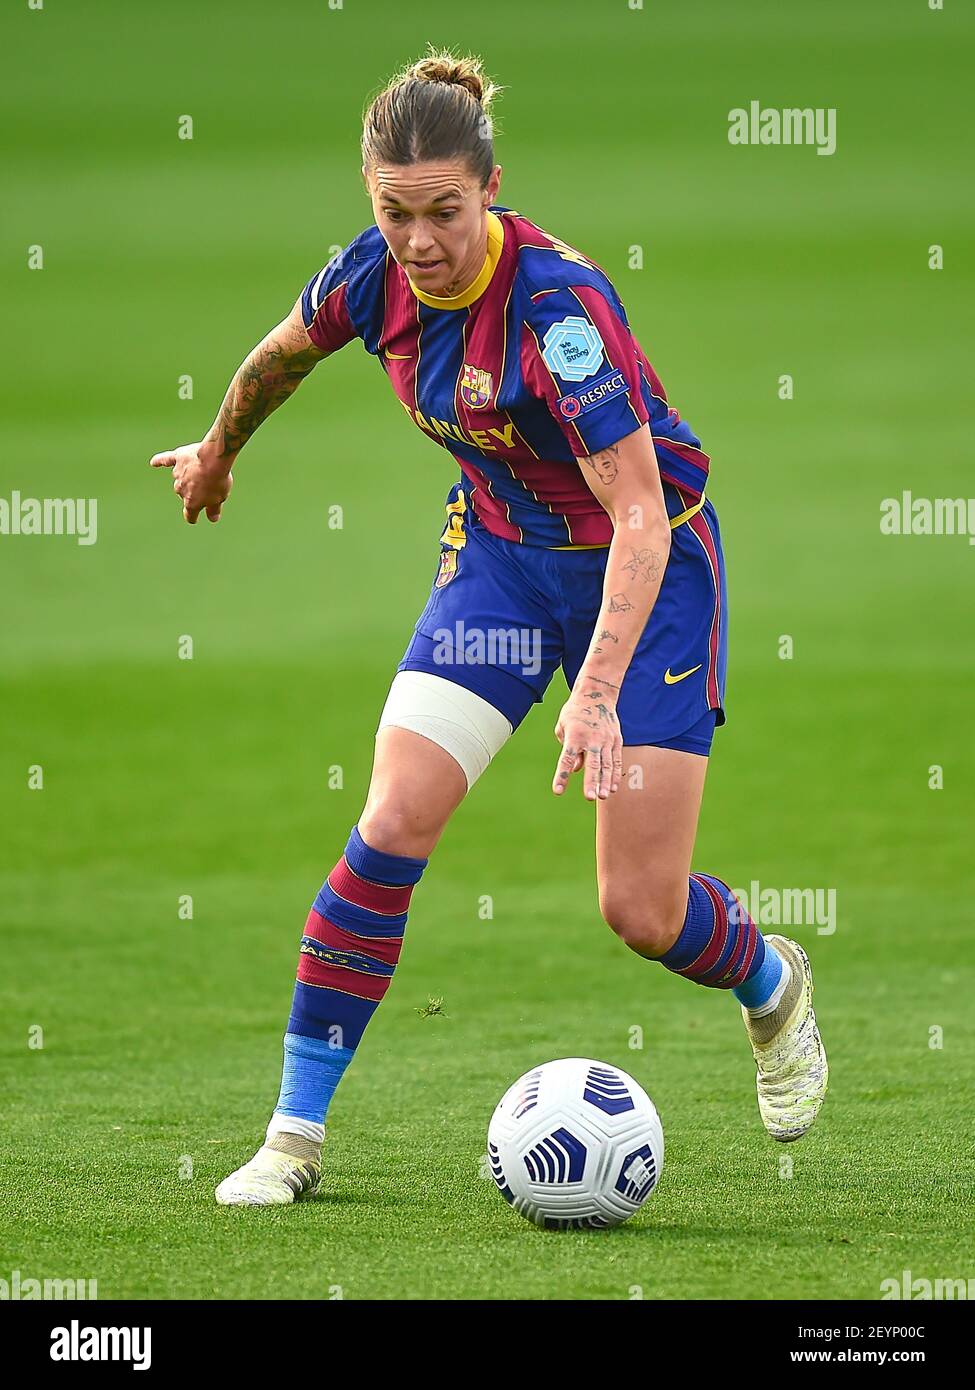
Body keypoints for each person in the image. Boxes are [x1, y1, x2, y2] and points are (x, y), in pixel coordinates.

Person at [150, 50, 828, 1207]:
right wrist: (219, 448)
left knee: (640, 910)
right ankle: (293, 1137)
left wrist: (599, 689)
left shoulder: (561, 315)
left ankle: (770, 979)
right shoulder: (376, 276)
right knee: (394, 817)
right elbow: (280, 358)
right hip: (503, 573)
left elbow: (638, 514)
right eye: (394, 211)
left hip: (650, 576)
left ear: (492, 189)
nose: (419, 241)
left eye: (445, 212)